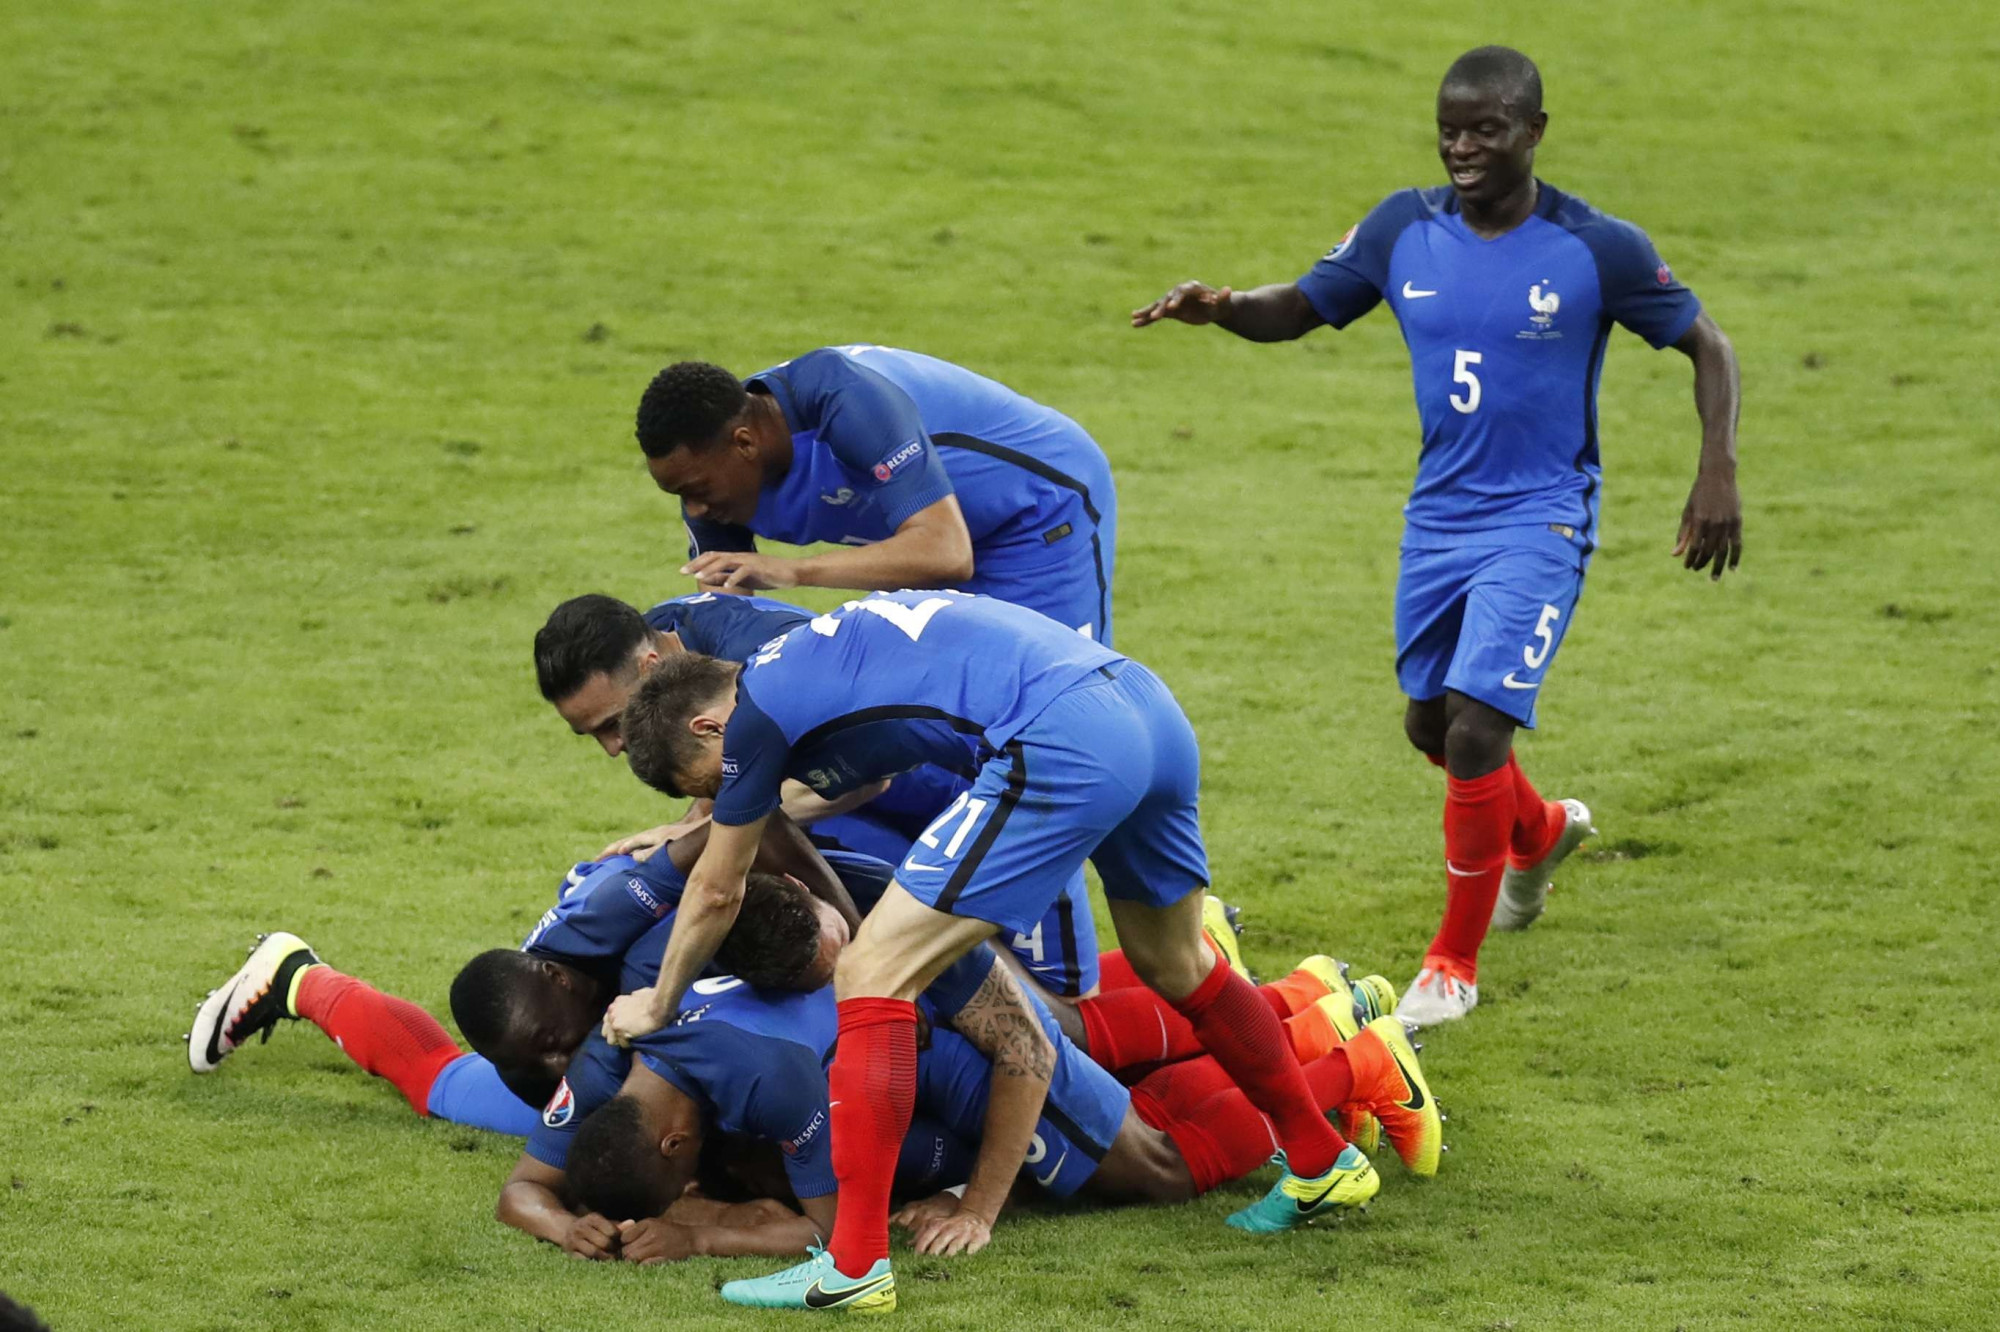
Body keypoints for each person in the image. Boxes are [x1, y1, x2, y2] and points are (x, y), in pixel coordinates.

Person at [1131, 45, 1743, 1024]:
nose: (1461, 148)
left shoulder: (1595, 247)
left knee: (1473, 724)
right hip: (1438, 516)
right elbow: (1298, 308)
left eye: (1484, 130)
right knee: (1428, 726)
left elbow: (1704, 343)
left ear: (1532, 133)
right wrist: (1223, 309)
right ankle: (1536, 832)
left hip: (1539, 513)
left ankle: (1449, 968)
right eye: (1448, 129)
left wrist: (1715, 469)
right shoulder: (1399, 229)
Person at [606, 590, 1379, 1313]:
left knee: (872, 971)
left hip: (1059, 736)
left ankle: (853, 1268)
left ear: (710, 729)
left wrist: (658, 1002)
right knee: (1177, 965)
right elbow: (853, 776)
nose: (717, 800)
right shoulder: (788, 648)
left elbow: (716, 888)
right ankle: (1321, 1158)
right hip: (1143, 703)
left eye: (700, 785)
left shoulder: (751, 723)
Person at [534, 591, 1107, 999]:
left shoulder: (761, 658)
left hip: (967, 784)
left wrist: (703, 835)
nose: (614, 747)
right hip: (857, 801)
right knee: (901, 935)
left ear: (651, 664)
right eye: (594, 735)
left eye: (613, 723)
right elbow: (744, 787)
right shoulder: (671, 637)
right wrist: (702, 823)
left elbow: (859, 779)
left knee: (1059, 993)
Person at [635, 345, 1117, 644]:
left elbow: (945, 552)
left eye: (696, 491)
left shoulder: (845, 401)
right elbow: (726, 626)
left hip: (1037, 517)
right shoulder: (710, 464)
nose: (694, 510)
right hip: (921, 533)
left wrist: (795, 570)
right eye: (678, 493)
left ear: (744, 444)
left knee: (1047, 705)